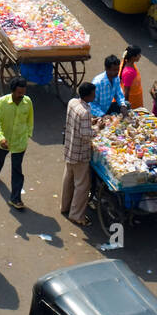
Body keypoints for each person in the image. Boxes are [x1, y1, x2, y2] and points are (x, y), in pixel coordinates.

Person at [0, 76, 33, 210]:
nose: (21, 95)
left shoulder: (27, 102)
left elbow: (30, 120)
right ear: (13, 91)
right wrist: (1, 137)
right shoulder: (2, 102)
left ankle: (15, 199)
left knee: (17, 170)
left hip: (20, 141)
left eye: (23, 92)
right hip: (5, 140)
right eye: (19, 92)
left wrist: (28, 135)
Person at [61, 82, 97, 225]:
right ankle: (76, 215)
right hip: (80, 153)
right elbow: (85, 134)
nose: (95, 96)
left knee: (68, 177)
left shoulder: (72, 102)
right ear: (88, 95)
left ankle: (65, 206)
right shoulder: (85, 112)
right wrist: (97, 129)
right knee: (82, 185)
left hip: (70, 147)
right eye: (93, 93)